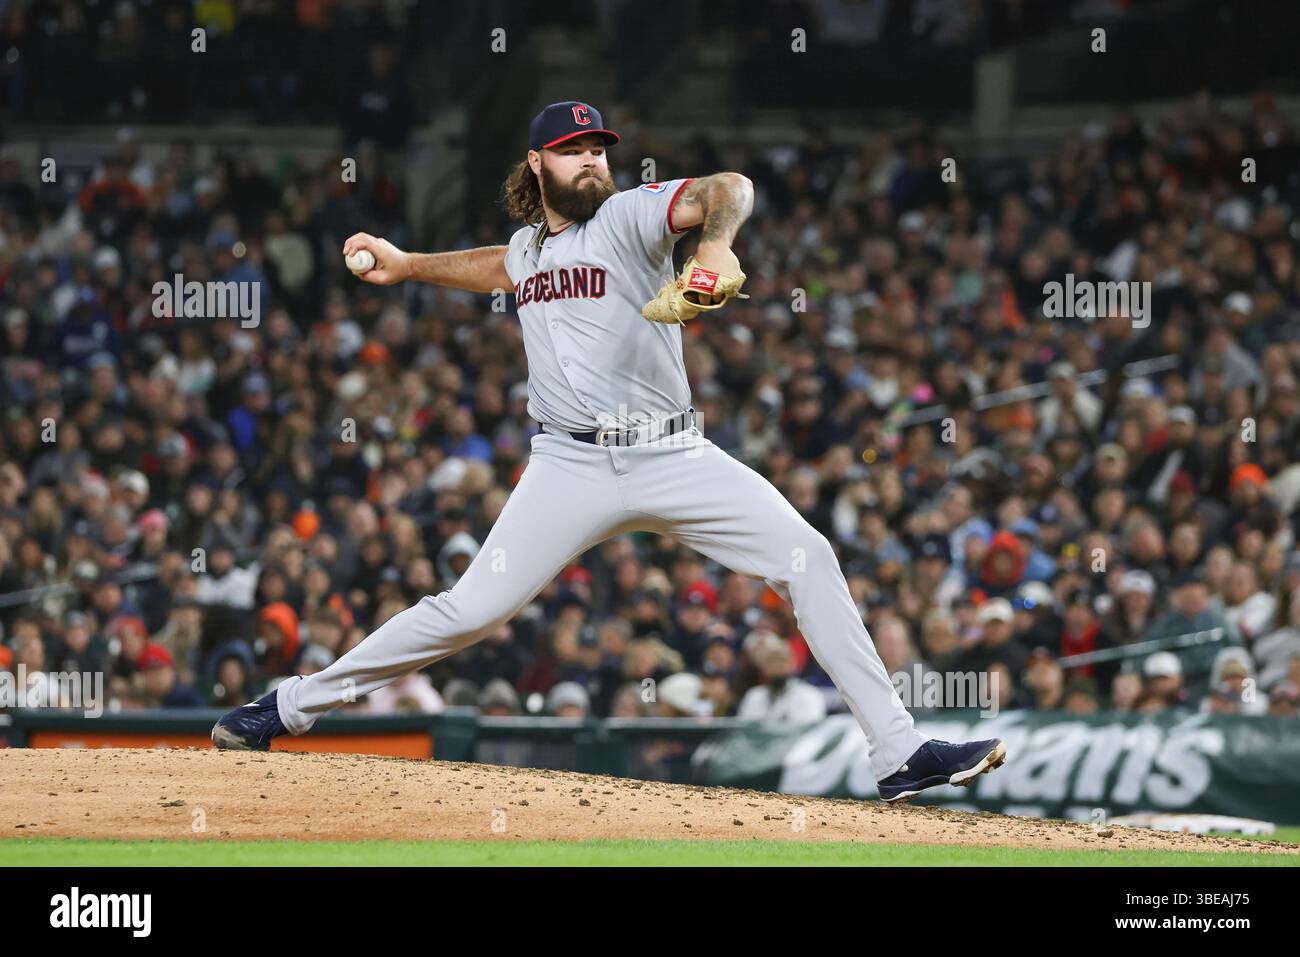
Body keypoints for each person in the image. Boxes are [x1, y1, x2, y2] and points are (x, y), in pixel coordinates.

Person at [212, 100, 1005, 803]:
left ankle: (898, 750)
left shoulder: (628, 217)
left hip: (674, 454)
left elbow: (727, 187)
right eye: (572, 148)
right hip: (569, 466)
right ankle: (284, 707)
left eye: (598, 147)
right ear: (537, 162)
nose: (591, 157)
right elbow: (501, 265)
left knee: (807, 553)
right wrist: (411, 265)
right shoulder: (528, 251)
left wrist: (717, 245)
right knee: (466, 611)